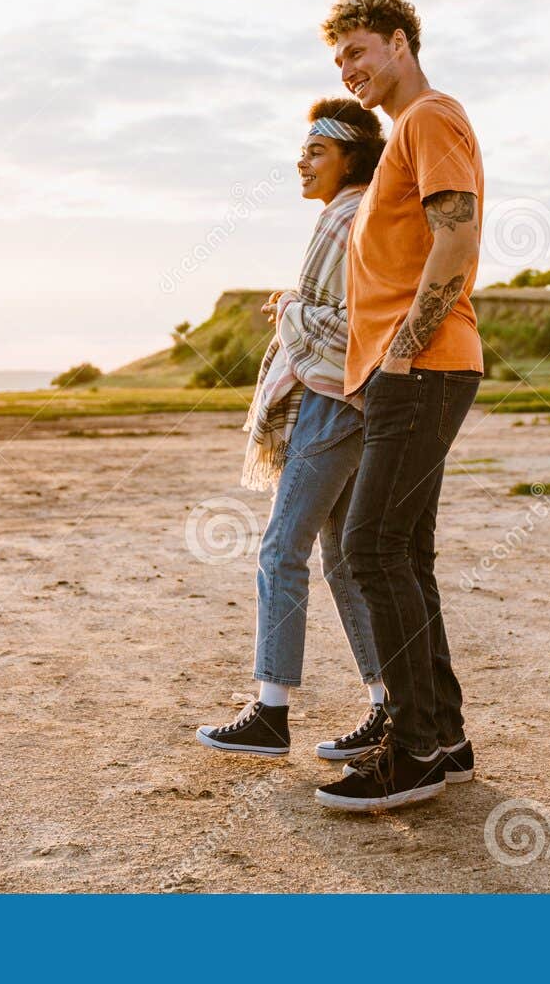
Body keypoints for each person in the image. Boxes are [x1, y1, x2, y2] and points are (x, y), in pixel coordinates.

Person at [313, 0, 485, 811]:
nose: (348, 69)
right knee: (402, 551)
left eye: (357, 51)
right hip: (416, 367)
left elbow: (458, 233)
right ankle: (441, 738)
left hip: (421, 366)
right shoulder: (409, 135)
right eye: (339, 58)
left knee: (370, 545)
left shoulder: (428, 117)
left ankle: (409, 748)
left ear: (399, 42)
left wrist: (401, 353)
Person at [196, 98, 392, 761]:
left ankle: (271, 713)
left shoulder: (344, 215)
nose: (301, 161)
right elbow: (342, 312)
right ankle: (388, 704)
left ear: (351, 157)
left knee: (283, 549)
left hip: (332, 400)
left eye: (316, 149)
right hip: (358, 400)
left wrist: (286, 309)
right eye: (302, 148)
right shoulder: (361, 212)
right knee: (341, 558)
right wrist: (296, 306)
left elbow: (337, 327)